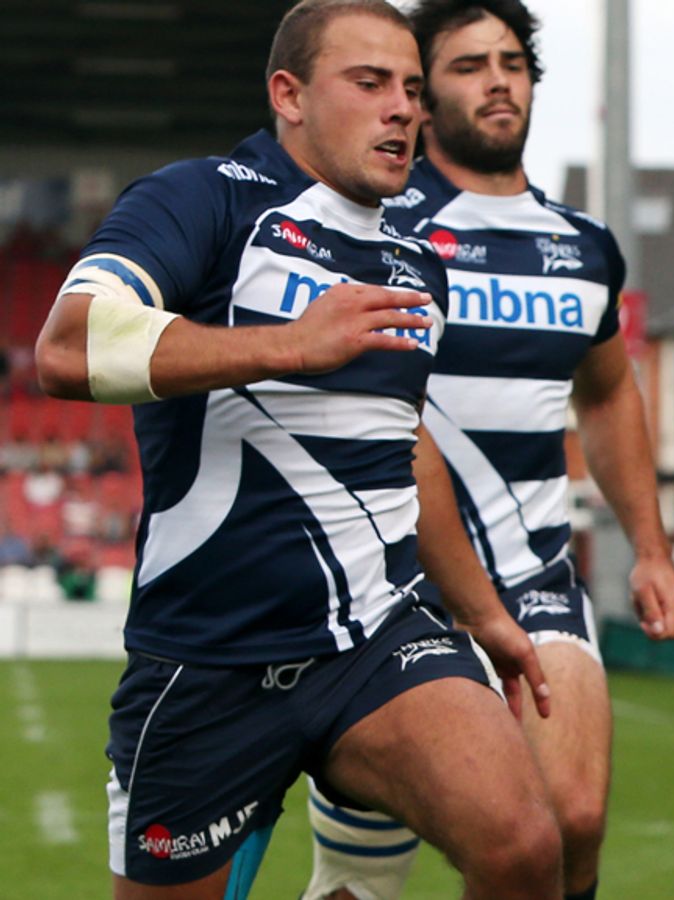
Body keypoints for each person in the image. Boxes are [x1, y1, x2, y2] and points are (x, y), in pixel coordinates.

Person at [33, 1, 565, 895]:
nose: (402, 108)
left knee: (523, 845)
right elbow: (66, 346)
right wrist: (288, 345)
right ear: (289, 93)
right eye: (369, 84)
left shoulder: (415, 264)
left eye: (409, 88)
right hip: (208, 659)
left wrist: (481, 614)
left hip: (373, 641)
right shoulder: (202, 198)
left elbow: (405, 445)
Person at [301, 3, 674, 899]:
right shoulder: (379, 232)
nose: (498, 80)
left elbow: (607, 390)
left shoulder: (583, 248)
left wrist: (652, 548)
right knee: (366, 884)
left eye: (512, 62)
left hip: (536, 575)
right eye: (470, 65)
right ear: (424, 98)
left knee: (572, 822)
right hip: (392, 586)